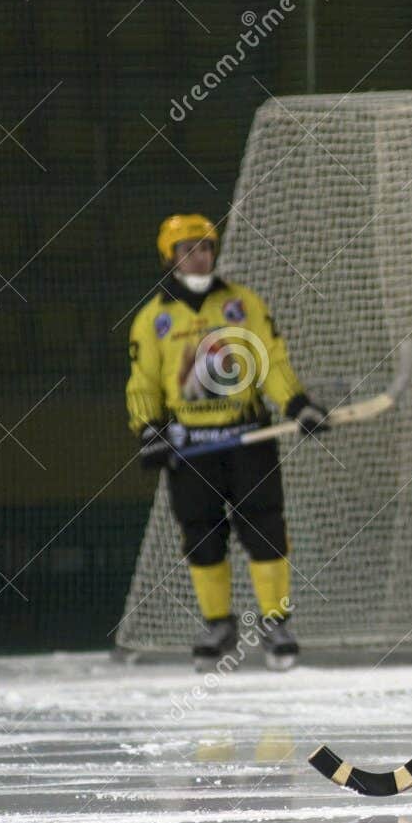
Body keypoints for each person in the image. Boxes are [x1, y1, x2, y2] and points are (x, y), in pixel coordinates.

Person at [127, 213, 328, 670]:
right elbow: (143, 381)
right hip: (191, 447)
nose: (198, 256)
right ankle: (218, 623)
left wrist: (296, 404)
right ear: (170, 257)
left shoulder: (243, 303)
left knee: (265, 528)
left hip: (247, 438)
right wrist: (149, 428)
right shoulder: (152, 318)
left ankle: (276, 623)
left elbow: (272, 361)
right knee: (201, 535)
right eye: (187, 249)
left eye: (204, 247)